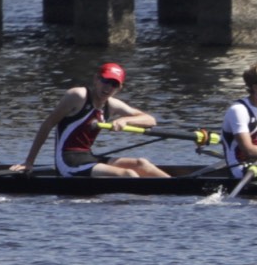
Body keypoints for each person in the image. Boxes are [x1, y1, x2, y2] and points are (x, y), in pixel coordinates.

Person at [16, 61, 172, 179]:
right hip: (68, 163)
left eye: (114, 85)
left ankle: (178, 188)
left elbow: (150, 120)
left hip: (89, 157)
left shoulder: (111, 104)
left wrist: (125, 121)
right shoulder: (78, 96)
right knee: (128, 174)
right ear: (96, 79)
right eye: (105, 81)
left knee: (142, 163)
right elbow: (48, 124)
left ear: (119, 88)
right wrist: (29, 162)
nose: (108, 88)